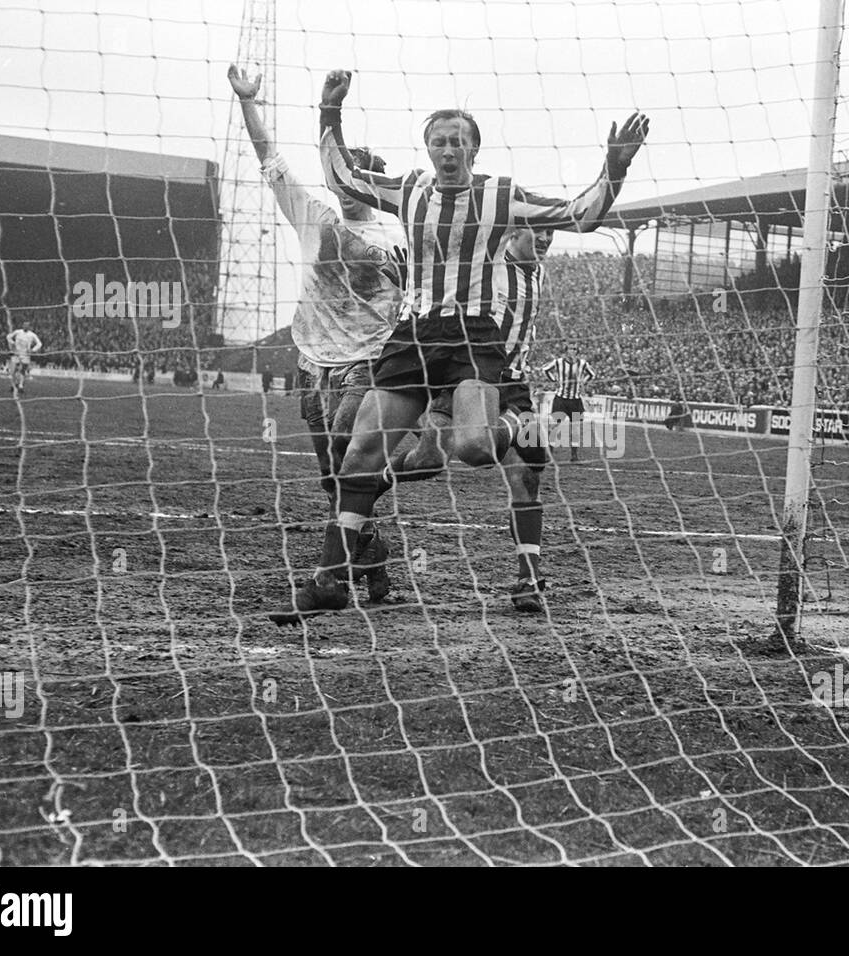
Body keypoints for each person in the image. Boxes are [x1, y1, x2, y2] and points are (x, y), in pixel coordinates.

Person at [271, 67, 647, 621]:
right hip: (414, 334)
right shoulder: (410, 192)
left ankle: (517, 425)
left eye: (458, 141)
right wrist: (330, 112)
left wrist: (614, 168)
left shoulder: (501, 196)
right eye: (439, 141)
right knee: (360, 453)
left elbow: (581, 216)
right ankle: (329, 582)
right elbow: (343, 179)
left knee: (473, 447)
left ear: (473, 148)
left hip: (473, 336)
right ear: (428, 148)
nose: (448, 149)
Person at [227, 64, 406, 617]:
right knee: (335, 479)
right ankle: (373, 564)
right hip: (313, 364)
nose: (347, 186)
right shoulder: (317, 218)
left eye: (358, 175)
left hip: (367, 365)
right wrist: (246, 103)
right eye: (342, 174)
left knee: (352, 463)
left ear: (372, 184)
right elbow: (270, 163)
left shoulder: (402, 235)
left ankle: (330, 580)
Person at [381, 226, 555, 611]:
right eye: (537, 232)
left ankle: (528, 581)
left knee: (526, 477)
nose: (545, 240)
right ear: (512, 234)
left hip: (512, 383)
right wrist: (412, 278)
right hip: (468, 377)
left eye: (550, 233)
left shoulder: (540, 271)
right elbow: (447, 280)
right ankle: (374, 482)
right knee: (430, 458)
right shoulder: (489, 266)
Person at [541, 347, 595, 462]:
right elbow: (545, 370)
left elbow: (592, 374)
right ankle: (549, 455)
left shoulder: (583, 363)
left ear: (577, 352)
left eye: (574, 349)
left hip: (575, 401)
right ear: (566, 351)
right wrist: (554, 379)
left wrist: (583, 382)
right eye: (570, 348)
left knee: (575, 428)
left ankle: (574, 456)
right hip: (561, 399)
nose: (572, 351)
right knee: (554, 426)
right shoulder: (558, 362)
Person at [6, 326, 43, 395]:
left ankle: (20, 386)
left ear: (29, 327)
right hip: (16, 353)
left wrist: (32, 350)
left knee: (22, 371)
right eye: (24, 325)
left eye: (27, 325)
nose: (25, 326)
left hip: (25, 355)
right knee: (13, 371)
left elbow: (39, 344)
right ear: (23, 326)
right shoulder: (18, 332)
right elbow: (8, 337)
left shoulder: (32, 335)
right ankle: (13, 385)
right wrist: (13, 343)